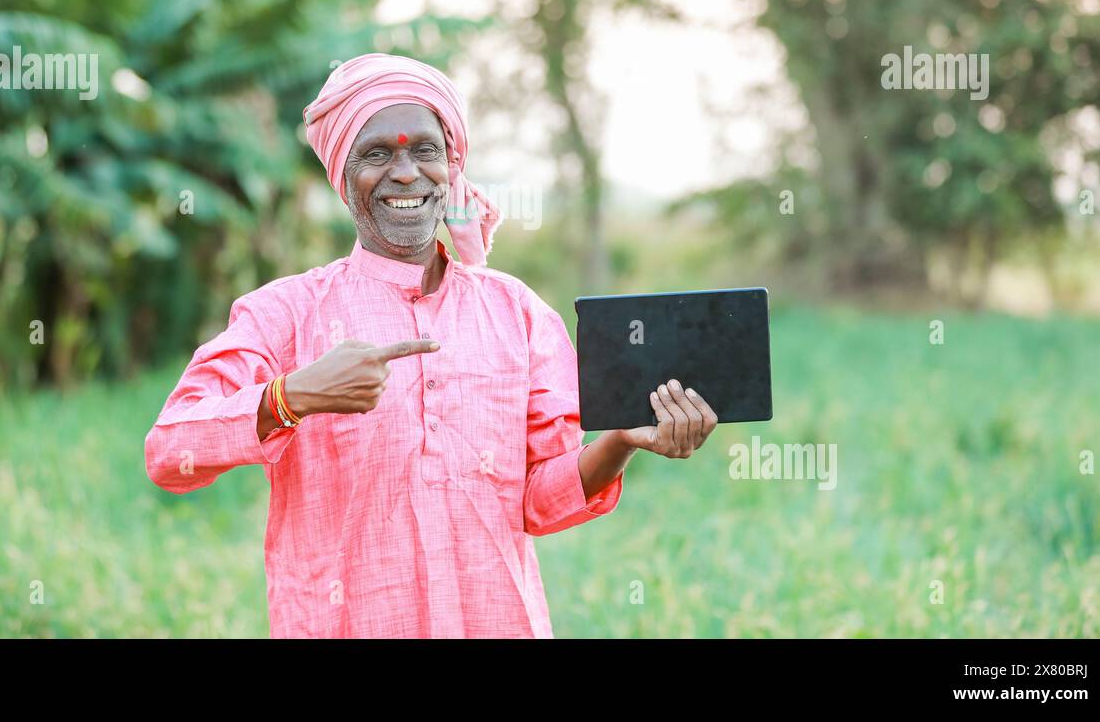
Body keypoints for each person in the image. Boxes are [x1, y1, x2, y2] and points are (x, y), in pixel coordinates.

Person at [144, 52, 719, 637]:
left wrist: (621, 440)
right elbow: (168, 453)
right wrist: (292, 397)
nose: (405, 173)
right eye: (376, 153)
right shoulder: (285, 314)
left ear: (452, 165)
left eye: (424, 150)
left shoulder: (515, 312)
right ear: (342, 176)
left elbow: (542, 502)